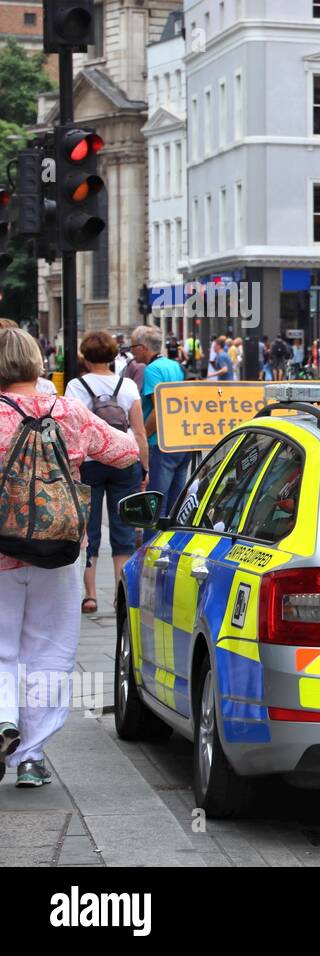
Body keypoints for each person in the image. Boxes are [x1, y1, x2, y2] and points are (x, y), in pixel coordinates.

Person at [0, 327, 140, 787]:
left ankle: (3, 720)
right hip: (60, 551)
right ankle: (32, 755)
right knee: (50, 649)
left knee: (2, 649)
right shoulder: (68, 410)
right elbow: (125, 452)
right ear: (36, 363)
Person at [65, 331, 149, 615]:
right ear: (114, 356)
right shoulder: (126, 386)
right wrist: (144, 467)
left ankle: (89, 595)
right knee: (124, 530)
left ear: (85, 358)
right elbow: (138, 432)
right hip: (124, 460)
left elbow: (71, 430)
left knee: (88, 529)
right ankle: (119, 593)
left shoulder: (76, 386)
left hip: (88, 463)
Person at [132, 324, 190, 514]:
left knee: (155, 504)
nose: (132, 353)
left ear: (143, 348)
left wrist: (143, 438)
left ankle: (152, 542)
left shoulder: (152, 370)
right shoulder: (175, 366)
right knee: (175, 504)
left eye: (133, 347)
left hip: (160, 442)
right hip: (181, 440)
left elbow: (159, 410)